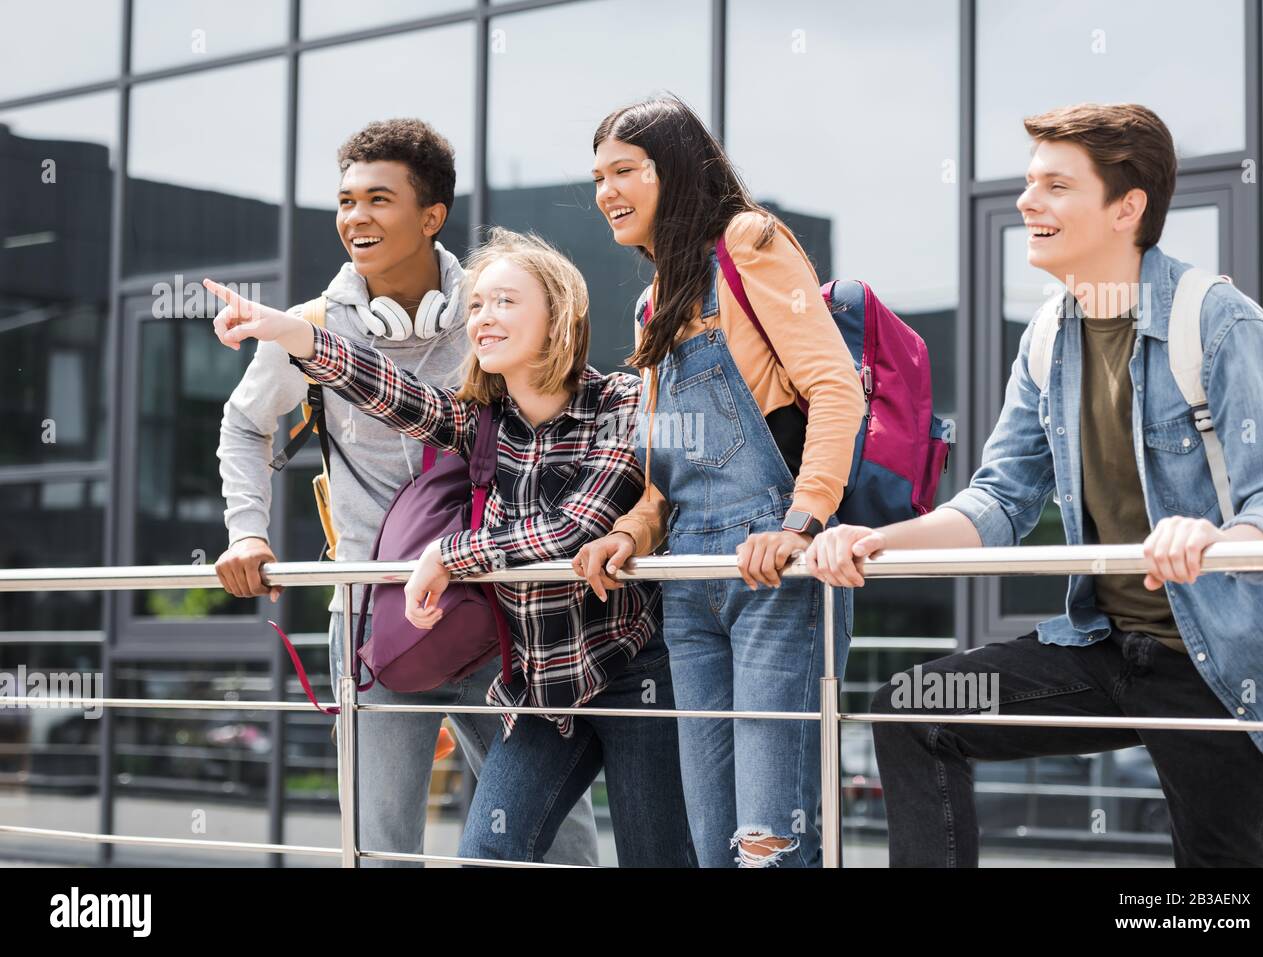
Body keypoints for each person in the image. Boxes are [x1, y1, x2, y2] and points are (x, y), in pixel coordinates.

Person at [807, 102, 1263, 867]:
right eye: (1029, 182)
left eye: (1056, 186)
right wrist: (878, 538)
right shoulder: (1048, 339)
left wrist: (1217, 535)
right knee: (913, 708)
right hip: (1105, 653)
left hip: (1223, 670)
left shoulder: (1221, 323)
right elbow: (1000, 500)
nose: (1028, 203)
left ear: (1126, 208)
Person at [206, 227, 696, 867]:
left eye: (505, 303)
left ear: (558, 315)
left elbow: (575, 526)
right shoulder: (482, 423)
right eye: (477, 305)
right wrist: (289, 333)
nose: (483, 318)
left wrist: (448, 556)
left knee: (655, 858)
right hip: (545, 692)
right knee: (489, 851)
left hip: (631, 678)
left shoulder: (621, 402)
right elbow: (386, 387)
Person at [214, 119, 597, 867]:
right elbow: (243, 426)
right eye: (346, 200)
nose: (355, 217)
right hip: (370, 616)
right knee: (380, 844)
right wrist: (247, 530)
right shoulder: (311, 328)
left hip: (501, 605)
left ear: (431, 216)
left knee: (555, 833)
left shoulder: (493, 314)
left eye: (378, 199)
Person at [573, 95, 864, 867]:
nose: (606, 191)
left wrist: (801, 525)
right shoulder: (651, 305)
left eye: (624, 171)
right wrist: (627, 533)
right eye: (597, 176)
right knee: (714, 844)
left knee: (769, 841)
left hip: (773, 566)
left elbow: (837, 386)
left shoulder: (749, 243)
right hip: (689, 575)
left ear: (675, 169)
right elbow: (665, 477)